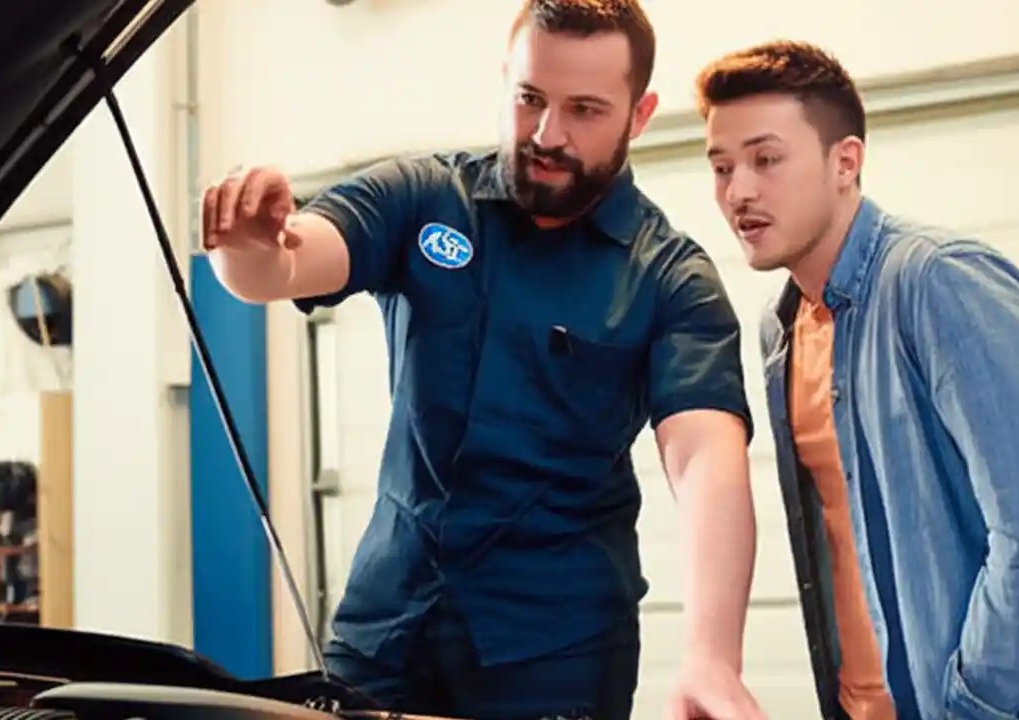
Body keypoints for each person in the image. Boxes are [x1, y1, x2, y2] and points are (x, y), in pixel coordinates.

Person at [202, 2, 766, 719]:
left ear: (640, 113)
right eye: (530, 98)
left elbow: (705, 460)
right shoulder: (424, 198)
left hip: (555, 651)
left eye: (586, 110)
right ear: (506, 80)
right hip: (385, 626)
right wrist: (244, 247)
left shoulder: (669, 276)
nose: (547, 135)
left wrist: (712, 656)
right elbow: (281, 267)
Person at [693, 40, 1019, 720]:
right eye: (721, 166)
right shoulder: (780, 330)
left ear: (846, 161)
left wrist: (971, 705)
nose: (738, 189)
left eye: (766, 158)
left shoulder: (940, 282)